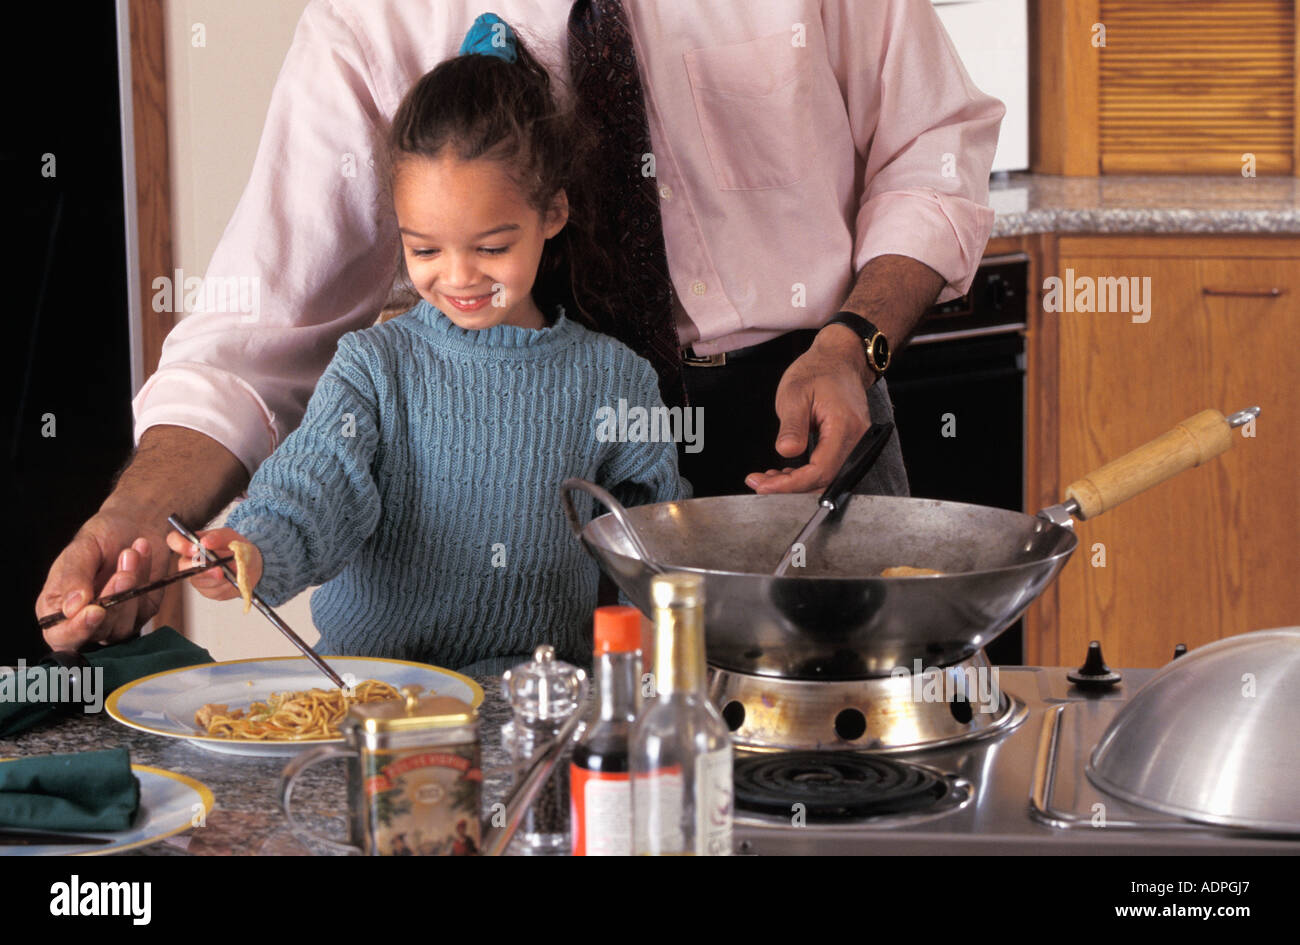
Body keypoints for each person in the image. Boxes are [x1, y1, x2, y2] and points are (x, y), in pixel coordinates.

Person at [38, 0, 1001, 648]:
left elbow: (933, 147)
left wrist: (852, 341)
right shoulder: (374, 19)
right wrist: (132, 517)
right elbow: (252, 344)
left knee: (863, 778)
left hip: (808, 422)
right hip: (546, 492)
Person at [164, 17, 682, 672]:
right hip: (376, 695)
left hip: (537, 699)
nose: (460, 276)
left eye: (491, 247)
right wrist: (252, 548)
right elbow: (315, 484)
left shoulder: (614, 380)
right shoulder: (374, 367)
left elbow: (657, 545)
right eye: (424, 249)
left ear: (552, 212)